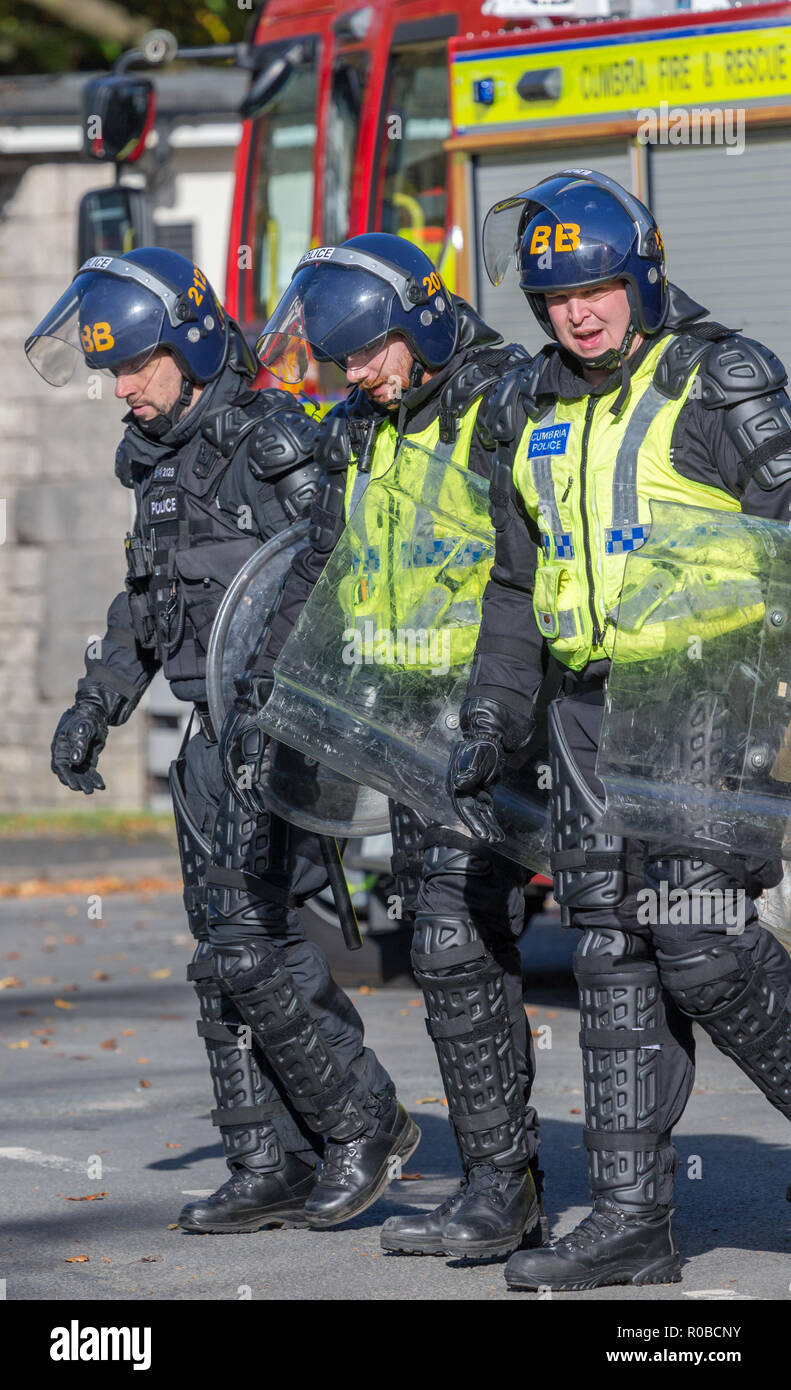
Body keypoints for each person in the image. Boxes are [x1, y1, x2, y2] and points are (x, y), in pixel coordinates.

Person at [25, 248, 417, 1235]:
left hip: (288, 732)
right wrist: (96, 704)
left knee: (251, 945)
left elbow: (331, 576)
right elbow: (150, 601)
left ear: (191, 344)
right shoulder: (155, 460)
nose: (122, 388)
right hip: (211, 738)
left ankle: (366, 1124)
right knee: (225, 952)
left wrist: (276, 707)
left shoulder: (275, 442)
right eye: (111, 371)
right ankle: (266, 1159)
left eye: (136, 366)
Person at [447, 169, 791, 1289]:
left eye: (593, 287)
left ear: (638, 273)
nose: (574, 313)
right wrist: (493, 713)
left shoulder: (720, 380)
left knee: (700, 941)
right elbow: (512, 585)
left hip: (706, 690)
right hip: (585, 708)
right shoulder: (528, 408)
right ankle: (633, 1222)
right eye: (552, 298)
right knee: (607, 949)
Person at [221, 232, 548, 1261]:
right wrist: (267, 694)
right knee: (449, 950)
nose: (354, 375)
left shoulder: (502, 403)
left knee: (648, 948)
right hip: (410, 727)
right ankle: (502, 1184)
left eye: (369, 353)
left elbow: (528, 572)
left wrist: (501, 715)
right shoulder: (361, 426)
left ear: (421, 321)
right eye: (343, 361)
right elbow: (321, 564)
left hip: (511, 717)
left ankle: (514, 1186)